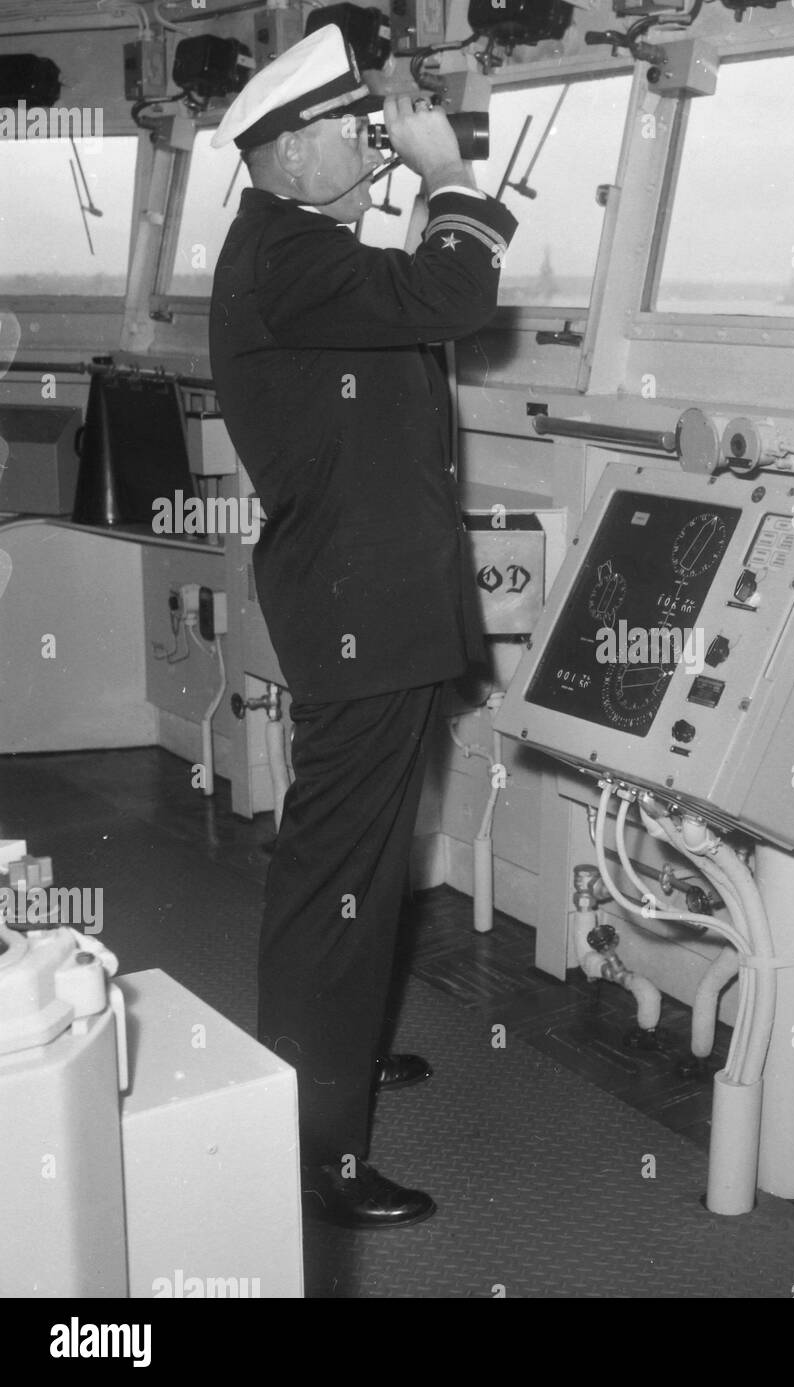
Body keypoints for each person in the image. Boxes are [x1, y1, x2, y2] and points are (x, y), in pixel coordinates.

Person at [208, 25, 517, 1229]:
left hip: (370, 606)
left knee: (355, 859)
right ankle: (319, 1146)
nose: (374, 145)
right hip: (355, 614)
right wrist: (447, 176)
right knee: (339, 867)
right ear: (287, 153)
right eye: (355, 129)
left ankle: (316, 1052)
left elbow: (411, 323)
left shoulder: (301, 251)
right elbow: (451, 288)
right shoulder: (291, 256)